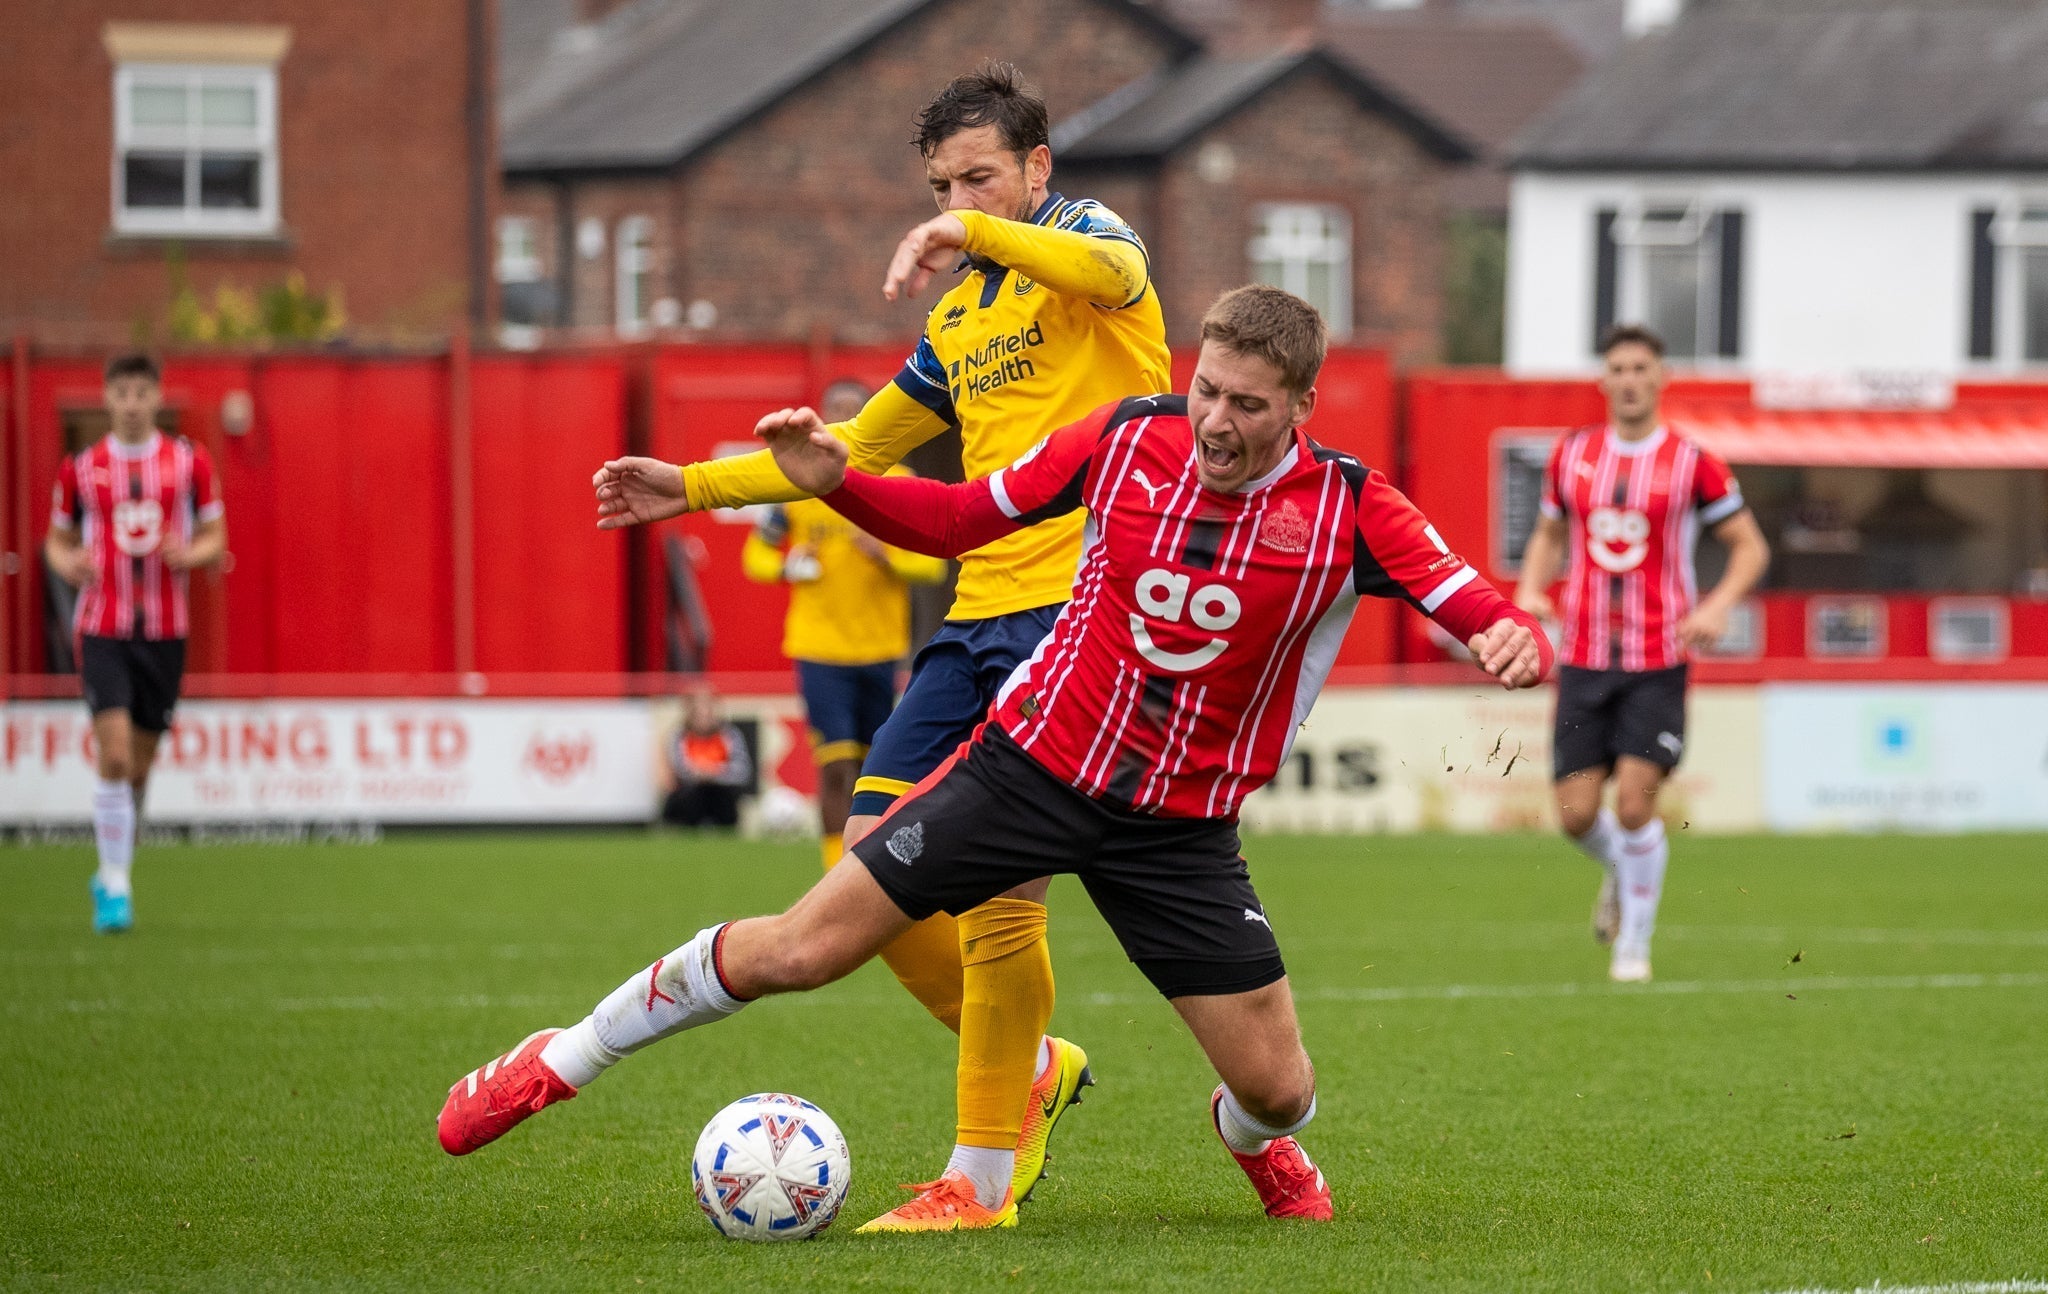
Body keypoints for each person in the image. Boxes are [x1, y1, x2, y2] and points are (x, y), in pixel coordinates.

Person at [443, 286, 1551, 1230]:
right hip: (1026, 765)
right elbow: (957, 519)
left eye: (1245, 405)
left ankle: (1242, 1136)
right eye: (1205, 388)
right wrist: (831, 476)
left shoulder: (1352, 508)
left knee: (1279, 1088)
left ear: (1302, 406)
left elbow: (1473, 604)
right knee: (803, 946)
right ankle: (561, 1058)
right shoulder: (1124, 437)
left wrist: (1509, 634)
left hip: (1178, 828)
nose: (1213, 419)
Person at [589, 64, 1168, 1219]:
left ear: (1036, 170)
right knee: (862, 856)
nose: (957, 202)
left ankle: (978, 1177)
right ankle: (1034, 1069)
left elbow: (1121, 270)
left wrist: (969, 227)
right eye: (942, 184)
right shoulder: (955, 318)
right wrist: (692, 485)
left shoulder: (1090, 248)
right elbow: (851, 449)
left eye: (980, 179)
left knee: (1003, 892)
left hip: (1084, 610)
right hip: (975, 614)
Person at [1513, 324, 1770, 983]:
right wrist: (1531, 587)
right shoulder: (1571, 455)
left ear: (1660, 378)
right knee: (1574, 816)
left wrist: (1715, 607)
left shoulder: (1692, 461)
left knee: (1633, 805)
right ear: (1604, 380)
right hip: (1585, 656)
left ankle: (1634, 948)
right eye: (1617, 368)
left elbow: (1751, 547)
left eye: (1639, 368)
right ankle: (1622, 871)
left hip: (1658, 657)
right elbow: (1547, 532)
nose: (1628, 379)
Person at [43, 352, 226, 934]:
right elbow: (55, 540)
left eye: (140, 393)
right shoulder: (83, 467)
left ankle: (114, 868)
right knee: (115, 756)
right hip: (102, 626)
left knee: (139, 769)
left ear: (155, 397)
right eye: (120, 393)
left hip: (166, 632)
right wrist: (67, 561)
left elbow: (216, 537)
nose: (130, 403)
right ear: (107, 398)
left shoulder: (189, 463)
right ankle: (116, 886)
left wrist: (189, 554)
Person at [741, 378, 947, 864]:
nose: (842, 424)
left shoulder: (899, 481)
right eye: (835, 413)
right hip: (819, 648)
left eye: (854, 414)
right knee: (835, 767)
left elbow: (934, 563)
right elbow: (755, 556)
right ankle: (836, 874)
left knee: (873, 772)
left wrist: (888, 557)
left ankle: (868, 869)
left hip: (879, 648)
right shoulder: (796, 483)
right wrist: (788, 566)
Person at [661, 686, 754, 828]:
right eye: (698, 712)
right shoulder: (680, 736)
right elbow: (679, 769)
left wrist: (714, 773)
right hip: (691, 794)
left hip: (721, 793)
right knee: (691, 795)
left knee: (721, 795)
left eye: (708, 711)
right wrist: (699, 775)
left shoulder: (729, 735)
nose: (704, 716)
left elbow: (742, 771)